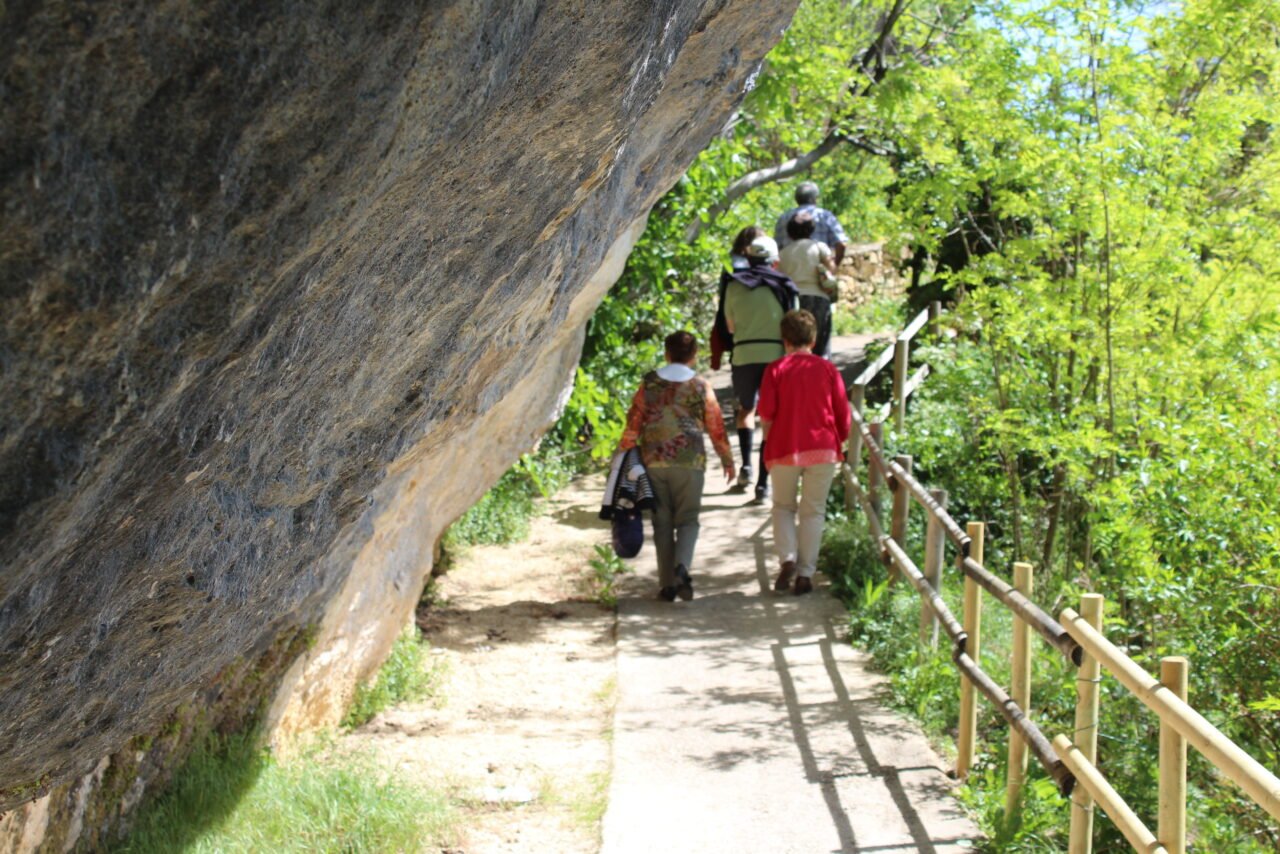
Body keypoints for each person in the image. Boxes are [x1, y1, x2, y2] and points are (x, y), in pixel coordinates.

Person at [619, 331, 735, 602]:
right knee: (688, 520)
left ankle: (667, 585)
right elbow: (716, 426)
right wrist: (727, 460)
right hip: (690, 462)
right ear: (694, 357)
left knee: (662, 523)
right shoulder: (700, 386)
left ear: (666, 353)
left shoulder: (649, 384)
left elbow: (633, 422)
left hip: (654, 462)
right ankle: (682, 567)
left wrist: (622, 456)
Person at [757, 310, 851, 595]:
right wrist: (840, 440)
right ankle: (806, 574)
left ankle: (788, 559)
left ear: (784, 339)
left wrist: (770, 442)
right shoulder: (827, 369)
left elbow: (766, 413)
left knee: (783, 507)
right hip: (822, 448)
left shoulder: (775, 369)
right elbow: (842, 414)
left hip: (785, 447)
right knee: (814, 512)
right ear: (813, 339)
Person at [722, 235, 798, 503]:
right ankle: (763, 485)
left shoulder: (734, 285)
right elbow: (795, 326)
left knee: (746, 410)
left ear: (749, 257)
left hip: (743, 353)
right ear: (774, 262)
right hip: (776, 356)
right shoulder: (785, 286)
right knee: (770, 418)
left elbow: (729, 327)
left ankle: (746, 467)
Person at [778, 211, 838, 358]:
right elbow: (832, 268)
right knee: (821, 345)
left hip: (794, 301)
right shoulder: (819, 247)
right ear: (811, 229)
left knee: (797, 344)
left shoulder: (783, 253)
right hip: (819, 299)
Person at [774, 181, 849, 267]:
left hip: (790, 271)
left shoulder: (784, 217)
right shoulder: (825, 216)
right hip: (819, 269)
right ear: (815, 198)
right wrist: (834, 265)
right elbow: (841, 244)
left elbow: (776, 248)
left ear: (796, 199)